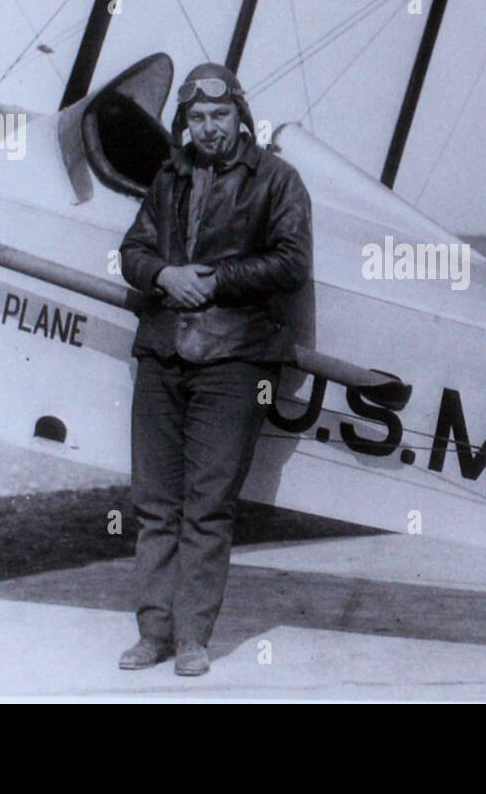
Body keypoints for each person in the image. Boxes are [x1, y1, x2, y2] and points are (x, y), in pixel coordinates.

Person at [116, 62, 312, 676]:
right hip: (162, 355)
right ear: (185, 124)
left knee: (207, 506)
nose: (209, 129)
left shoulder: (277, 180)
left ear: (241, 118)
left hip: (233, 360)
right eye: (197, 118)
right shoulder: (170, 178)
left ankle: (192, 638)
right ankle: (153, 633)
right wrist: (163, 275)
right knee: (154, 503)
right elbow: (133, 250)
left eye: (220, 116)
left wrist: (216, 281)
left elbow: (291, 261)